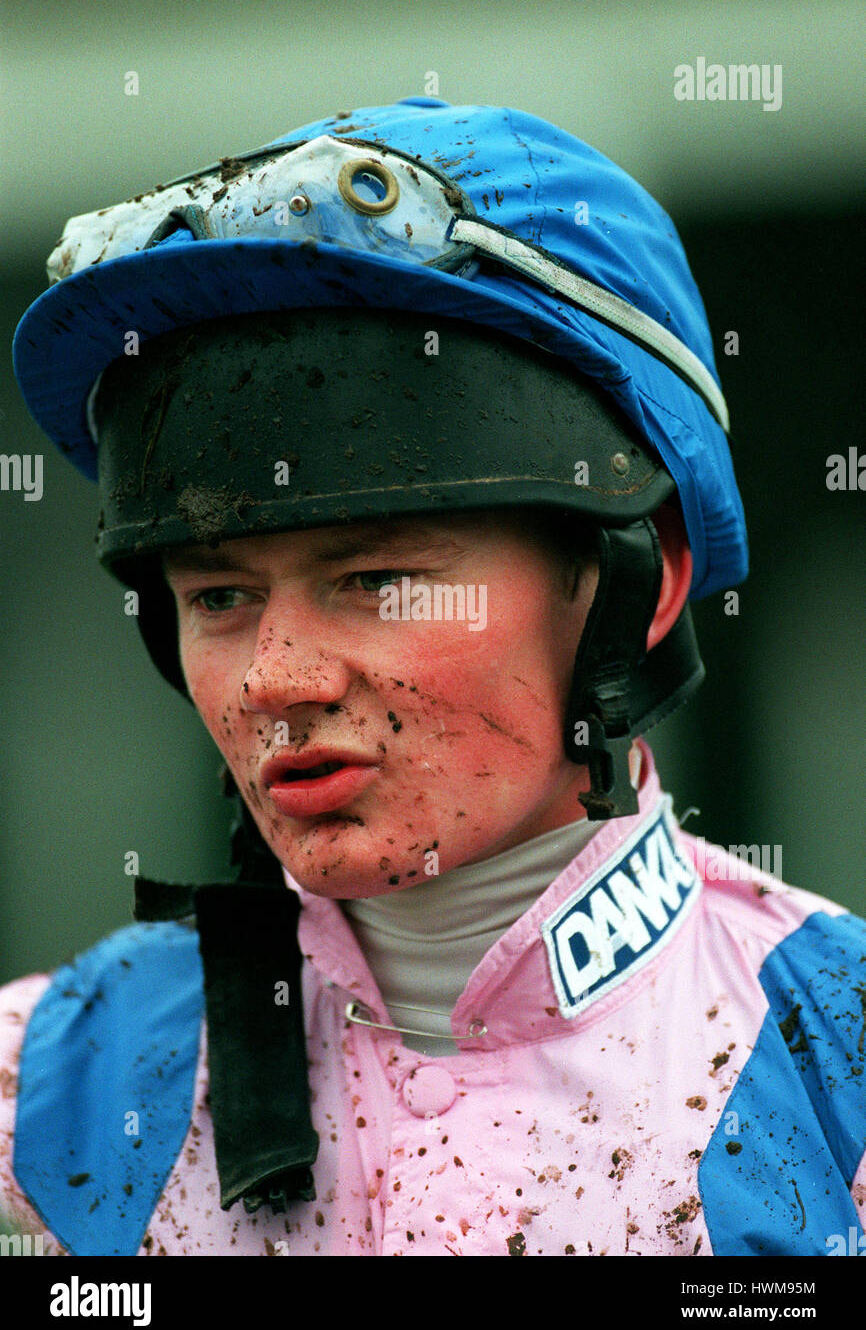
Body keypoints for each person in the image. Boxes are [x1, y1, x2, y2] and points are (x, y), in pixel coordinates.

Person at [1, 98, 864, 1258]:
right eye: (218, 597)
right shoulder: (50, 1087)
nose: (276, 679)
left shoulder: (838, 1060)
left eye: (376, 581)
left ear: (639, 583)